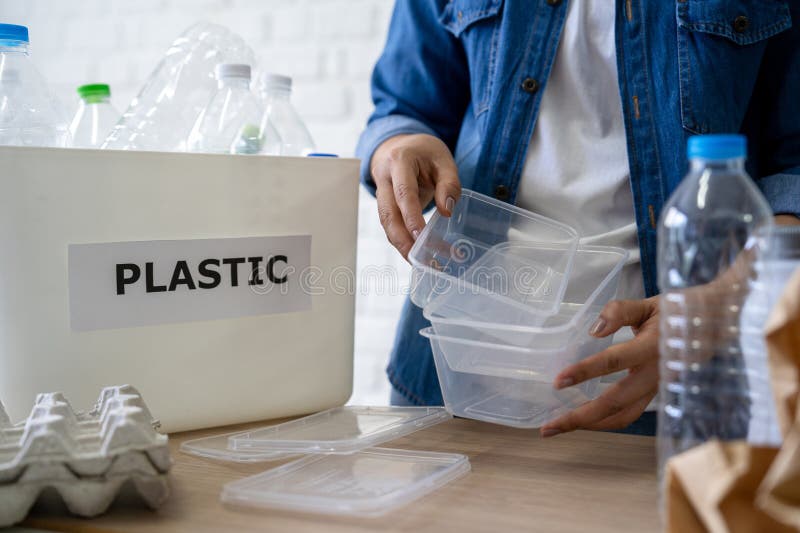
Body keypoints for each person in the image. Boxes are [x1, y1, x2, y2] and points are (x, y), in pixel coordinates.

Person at [356, 0, 800, 437]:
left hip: (682, 397)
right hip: (453, 385)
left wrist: (715, 309)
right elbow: (401, 106)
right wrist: (399, 147)